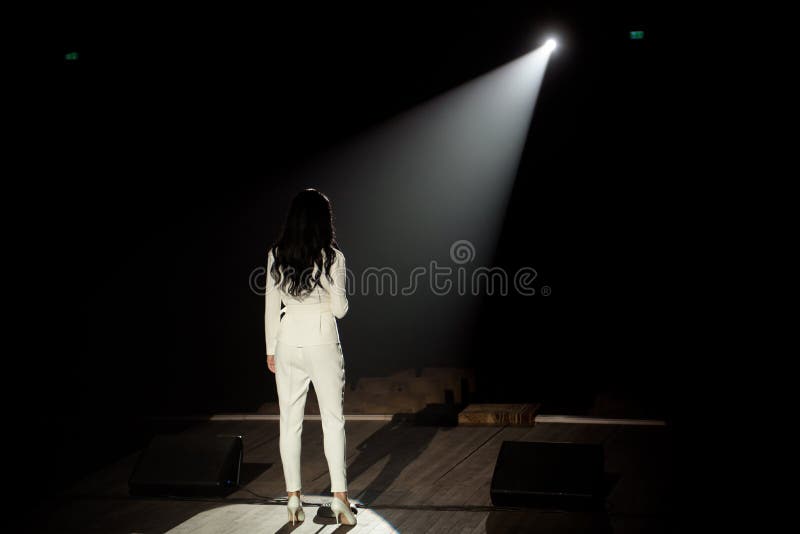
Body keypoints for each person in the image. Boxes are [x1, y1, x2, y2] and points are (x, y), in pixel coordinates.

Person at [264, 188, 357, 526]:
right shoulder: (332, 257)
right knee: (333, 420)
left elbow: (271, 307)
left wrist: (270, 350)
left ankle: (293, 499)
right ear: (323, 221)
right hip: (321, 341)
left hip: (287, 341)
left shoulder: (276, 254)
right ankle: (340, 499)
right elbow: (341, 310)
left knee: (290, 422)